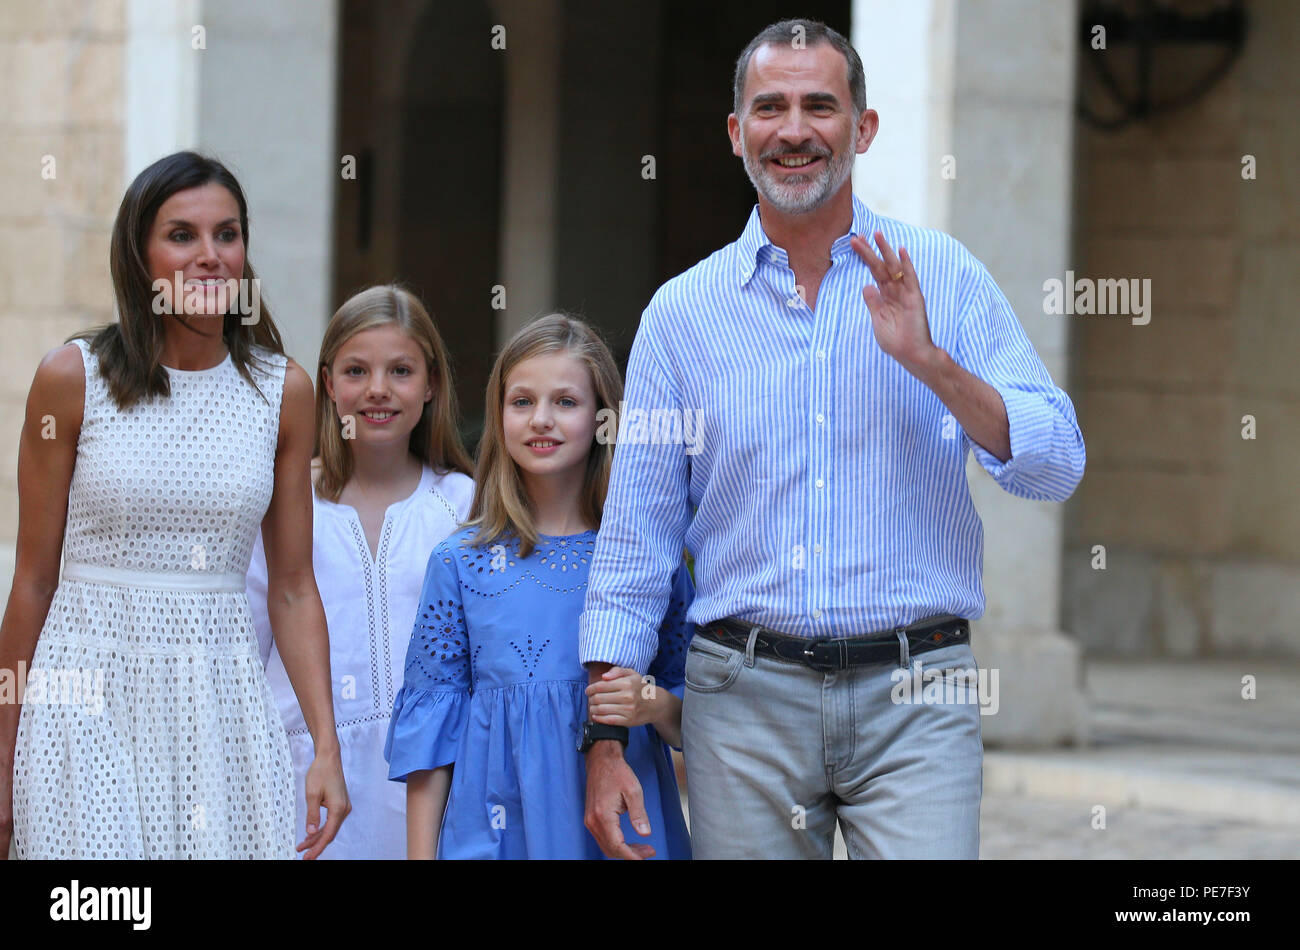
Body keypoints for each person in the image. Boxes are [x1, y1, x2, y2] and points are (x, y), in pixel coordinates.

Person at [579, 19, 1087, 860]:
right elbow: (637, 539)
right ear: (738, 133)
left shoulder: (944, 275)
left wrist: (929, 361)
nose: (795, 129)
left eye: (821, 105)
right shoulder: (680, 315)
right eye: (770, 107)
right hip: (740, 701)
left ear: (864, 128)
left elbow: (1057, 463)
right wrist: (600, 741)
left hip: (917, 691)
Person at [0, 151, 349, 859]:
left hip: (219, 697)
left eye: (227, 234)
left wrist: (325, 746)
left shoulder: (282, 391)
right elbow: (34, 580)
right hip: (83, 689)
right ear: (140, 255)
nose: (209, 256)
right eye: (181, 235)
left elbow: (290, 587)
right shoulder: (72, 378)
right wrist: (2, 758)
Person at [384, 313, 692, 859]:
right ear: (499, 414)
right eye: (521, 402)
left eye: (566, 402)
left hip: (623, 828)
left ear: (604, 419)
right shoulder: (460, 563)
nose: (541, 420)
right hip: (500, 835)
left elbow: (699, 717)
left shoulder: (646, 560)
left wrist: (652, 705)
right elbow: (431, 734)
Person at [245, 284, 474, 859]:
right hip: (300, 785)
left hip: (430, 787)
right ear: (327, 384)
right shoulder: (282, 500)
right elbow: (245, 647)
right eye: (356, 370)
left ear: (431, 385)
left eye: (400, 370)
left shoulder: (466, 506)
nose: (377, 390)